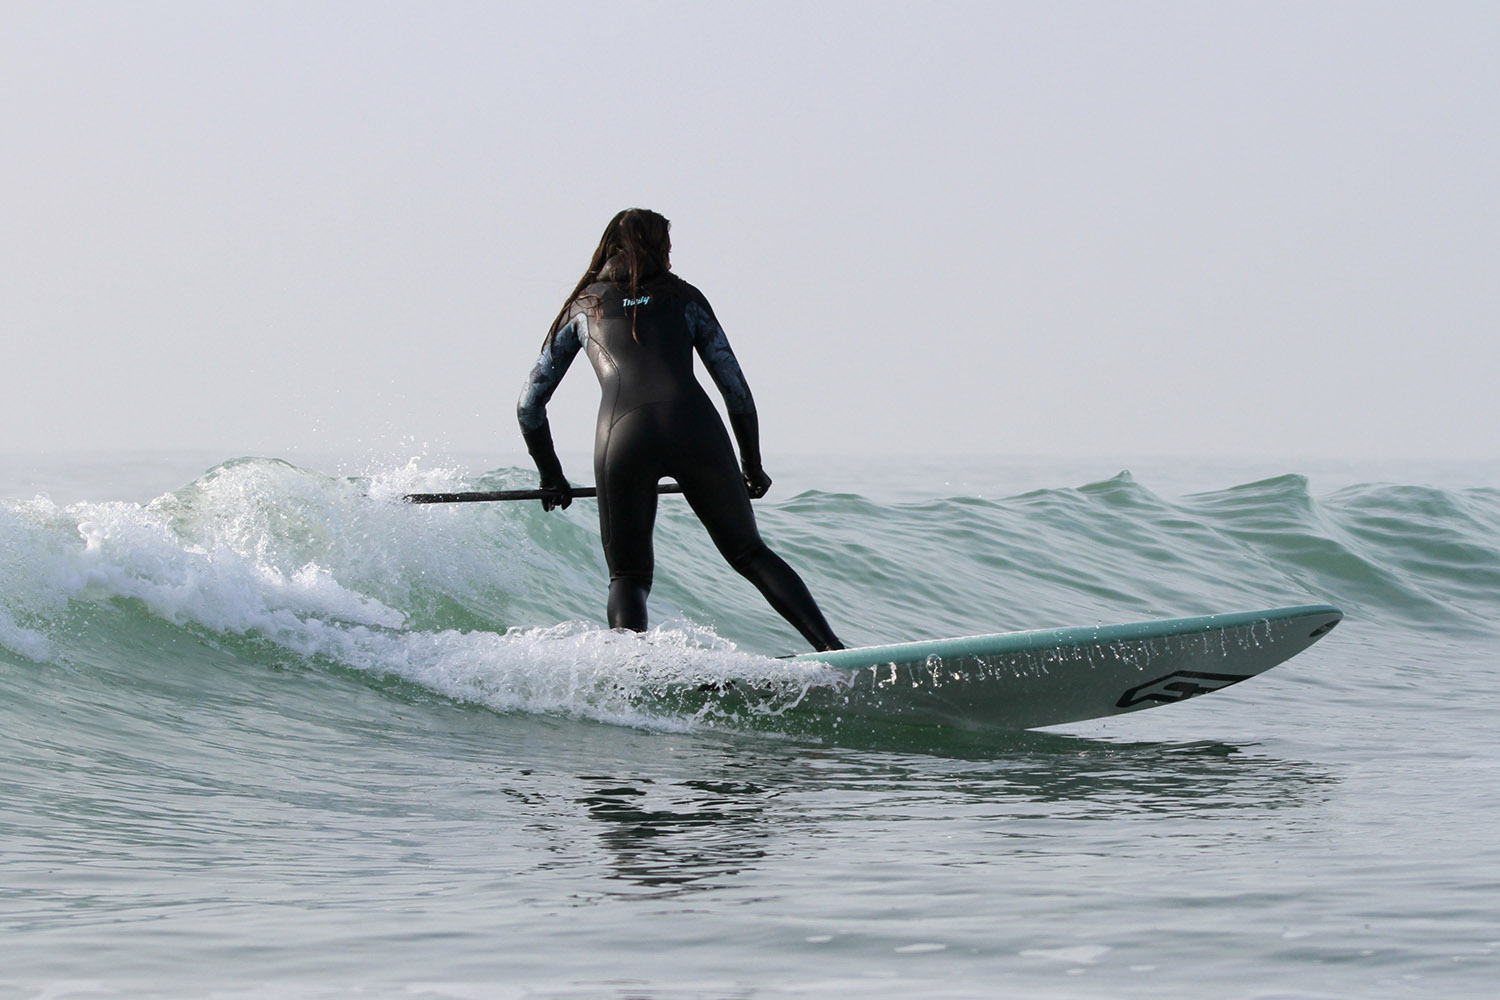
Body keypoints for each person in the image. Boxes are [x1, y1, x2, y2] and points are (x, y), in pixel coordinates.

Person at [516, 209, 844, 651]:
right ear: (658, 248)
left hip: (622, 437)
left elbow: (529, 404)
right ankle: (834, 652)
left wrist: (551, 475)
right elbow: (735, 388)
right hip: (695, 430)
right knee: (750, 554)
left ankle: (629, 677)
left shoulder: (584, 306)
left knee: (628, 577)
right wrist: (752, 464)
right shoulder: (685, 297)